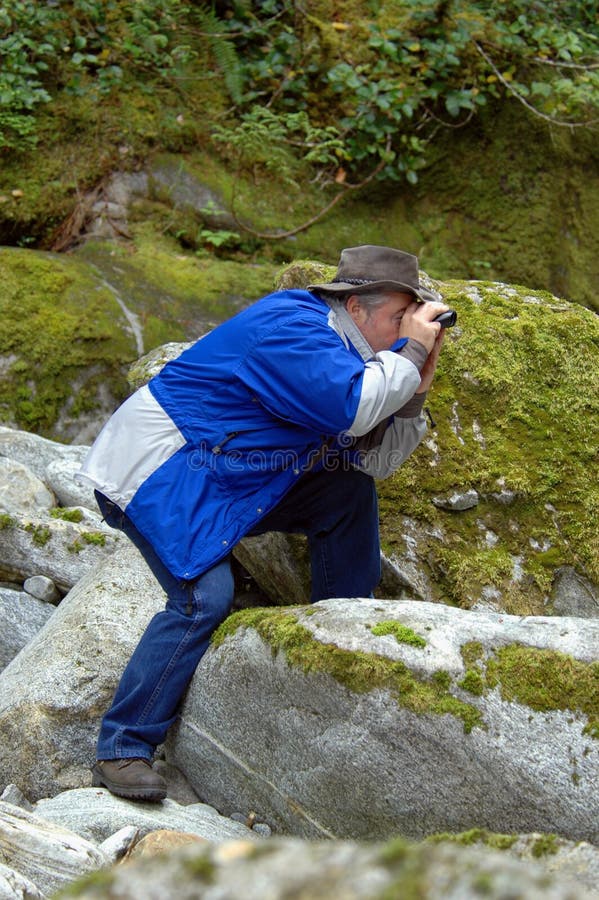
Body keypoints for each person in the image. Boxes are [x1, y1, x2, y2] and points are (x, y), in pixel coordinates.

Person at [77, 244, 448, 802]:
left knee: (346, 490)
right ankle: (121, 746)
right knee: (204, 597)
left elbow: (377, 460)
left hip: (237, 479)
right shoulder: (291, 326)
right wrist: (410, 351)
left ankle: (341, 636)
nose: (407, 329)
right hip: (162, 472)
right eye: (401, 316)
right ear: (358, 307)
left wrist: (416, 386)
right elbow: (350, 409)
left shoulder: (354, 354)